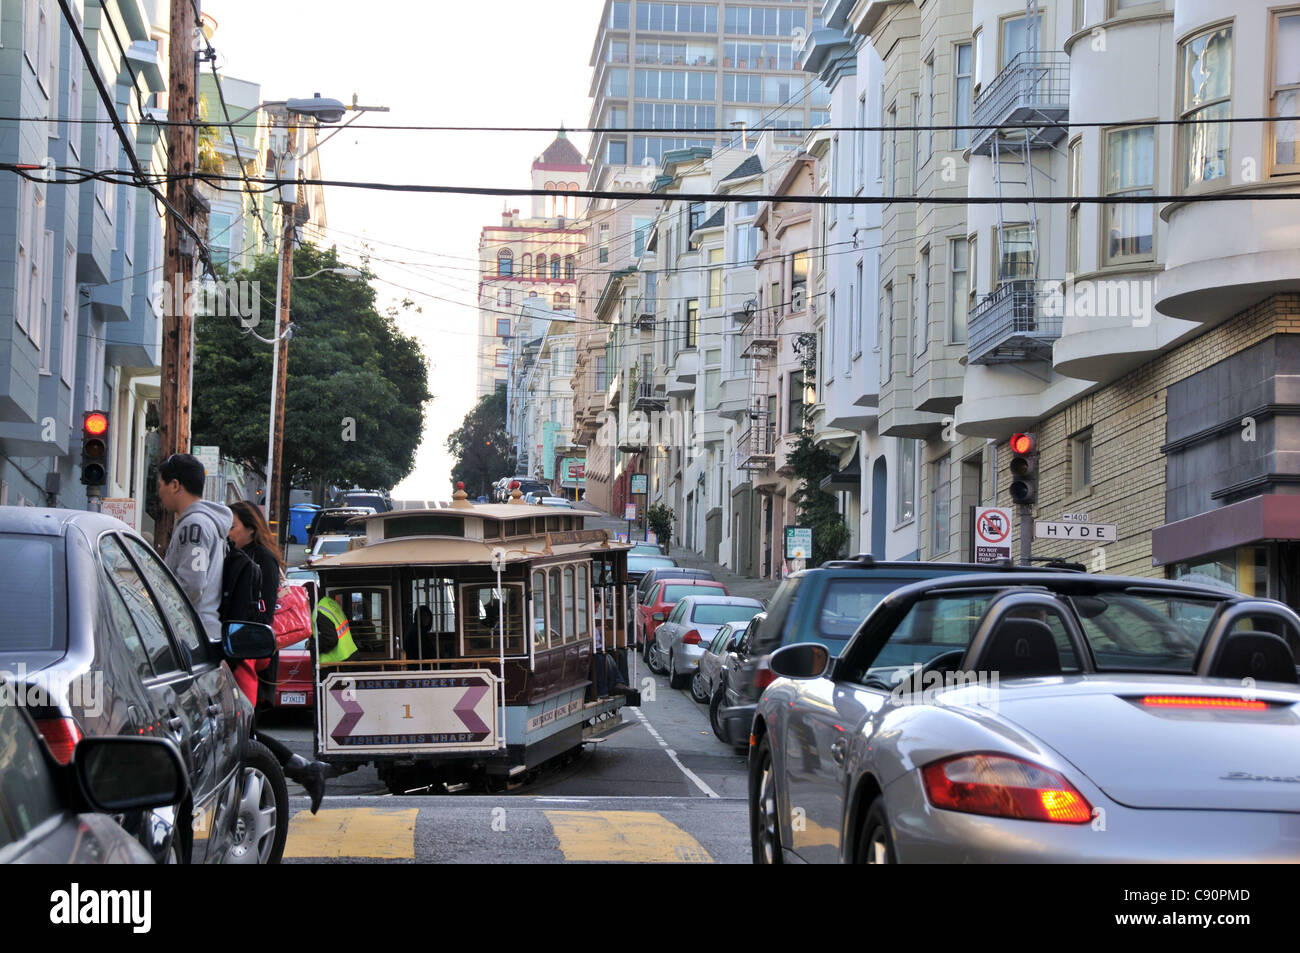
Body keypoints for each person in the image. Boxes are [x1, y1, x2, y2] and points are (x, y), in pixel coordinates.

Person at [227, 500, 333, 814]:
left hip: (252, 653)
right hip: (242, 651)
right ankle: (301, 770)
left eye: (232, 525)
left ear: (249, 526)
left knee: (243, 734)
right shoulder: (239, 556)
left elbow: (262, 609)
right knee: (244, 734)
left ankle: (268, 790)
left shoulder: (262, 560)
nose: (228, 531)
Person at [157, 453, 233, 643]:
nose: (159, 493)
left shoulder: (194, 525)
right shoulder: (204, 522)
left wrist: (157, 608)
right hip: (202, 631)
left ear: (175, 485)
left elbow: (192, 585)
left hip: (192, 636)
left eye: (160, 485)